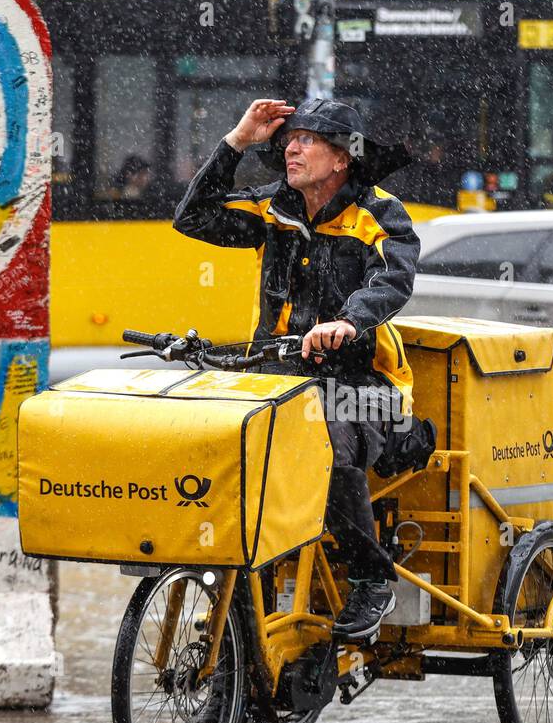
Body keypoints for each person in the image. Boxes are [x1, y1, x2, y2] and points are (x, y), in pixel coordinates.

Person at [173, 97, 420, 644]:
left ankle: (371, 578)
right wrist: (236, 140)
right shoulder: (275, 210)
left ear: (341, 160)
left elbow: (392, 282)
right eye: (290, 138)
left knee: (324, 445)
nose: (291, 147)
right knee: (217, 448)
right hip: (279, 378)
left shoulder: (378, 214)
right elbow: (192, 217)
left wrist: (348, 324)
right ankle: (239, 637)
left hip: (364, 386)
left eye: (307, 140)